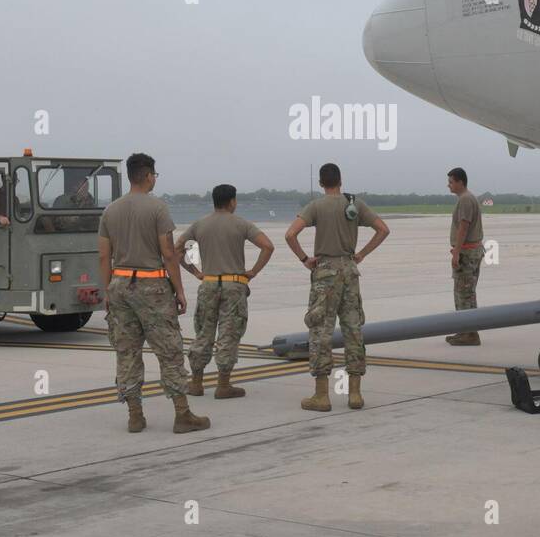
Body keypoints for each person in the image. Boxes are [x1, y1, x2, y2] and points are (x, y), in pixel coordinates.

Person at [97, 152, 209, 435]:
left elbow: (103, 257)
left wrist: (107, 291)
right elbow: (169, 254)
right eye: (154, 175)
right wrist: (180, 290)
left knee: (127, 351)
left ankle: (135, 415)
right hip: (152, 287)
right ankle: (182, 414)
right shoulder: (158, 208)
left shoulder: (110, 211)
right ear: (148, 175)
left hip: (120, 285)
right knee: (169, 350)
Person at [284, 163, 390, 411]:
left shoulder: (316, 206)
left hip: (325, 273)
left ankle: (321, 396)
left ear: (321, 183)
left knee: (321, 330)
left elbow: (290, 235)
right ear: (341, 181)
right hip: (350, 271)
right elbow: (383, 229)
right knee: (353, 329)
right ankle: (355, 394)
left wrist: (304, 259)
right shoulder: (355, 203)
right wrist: (361, 254)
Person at [176, 184, 274, 398]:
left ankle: (196, 383)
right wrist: (253, 272)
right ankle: (223, 384)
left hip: (208, 283)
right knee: (229, 334)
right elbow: (267, 246)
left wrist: (195, 271)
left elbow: (179, 249)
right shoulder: (241, 224)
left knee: (204, 333)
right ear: (232, 201)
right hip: (234, 285)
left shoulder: (199, 225)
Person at [444, 167, 486, 346]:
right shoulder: (468, 198)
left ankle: (468, 333)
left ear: (461, 182)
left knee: (464, 294)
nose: (449, 185)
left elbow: (464, 226)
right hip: (471, 251)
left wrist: (457, 252)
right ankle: (466, 330)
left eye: (451, 182)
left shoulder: (466, 200)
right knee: (467, 293)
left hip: (466, 253)